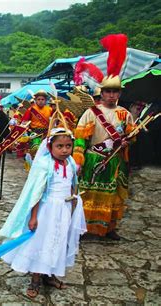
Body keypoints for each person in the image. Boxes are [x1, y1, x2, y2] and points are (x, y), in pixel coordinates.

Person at [0, 128, 86, 299]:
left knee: (58, 241)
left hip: (64, 210)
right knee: (42, 242)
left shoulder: (71, 163)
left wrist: (73, 207)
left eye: (68, 146)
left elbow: (73, 184)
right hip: (47, 210)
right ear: (50, 146)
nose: (64, 150)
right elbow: (36, 193)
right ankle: (36, 278)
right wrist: (33, 216)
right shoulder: (44, 165)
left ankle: (49, 274)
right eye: (59, 146)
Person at [73, 33, 135, 240]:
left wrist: (128, 141)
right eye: (108, 92)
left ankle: (109, 228)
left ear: (119, 94)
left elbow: (131, 136)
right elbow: (80, 138)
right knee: (88, 195)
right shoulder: (91, 112)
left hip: (115, 161)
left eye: (115, 92)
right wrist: (78, 159)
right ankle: (83, 228)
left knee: (112, 196)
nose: (111, 95)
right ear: (101, 93)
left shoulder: (125, 114)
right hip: (94, 160)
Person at [21, 90, 53, 159]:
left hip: (46, 134)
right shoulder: (31, 109)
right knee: (35, 150)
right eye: (38, 99)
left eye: (42, 99)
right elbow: (24, 122)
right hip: (35, 134)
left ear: (45, 100)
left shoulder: (50, 109)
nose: (40, 101)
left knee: (47, 152)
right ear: (35, 100)